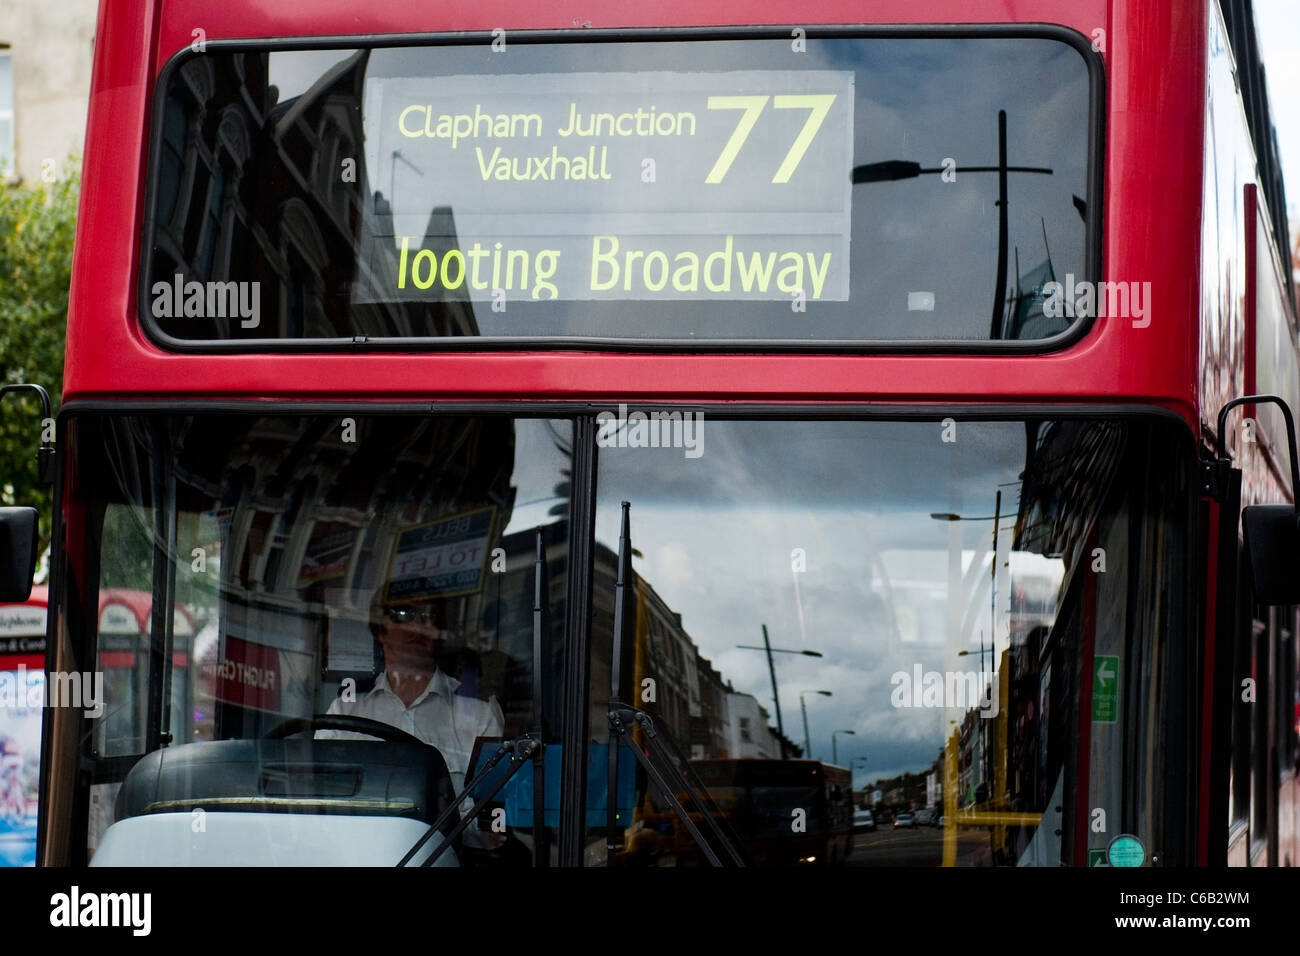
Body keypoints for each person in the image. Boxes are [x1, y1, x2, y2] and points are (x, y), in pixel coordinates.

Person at [317, 591, 506, 849]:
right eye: (404, 615)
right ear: (380, 630)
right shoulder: (345, 710)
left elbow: (489, 829)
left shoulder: (478, 715)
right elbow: (320, 809)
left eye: (428, 617)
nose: (417, 627)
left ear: (439, 632)